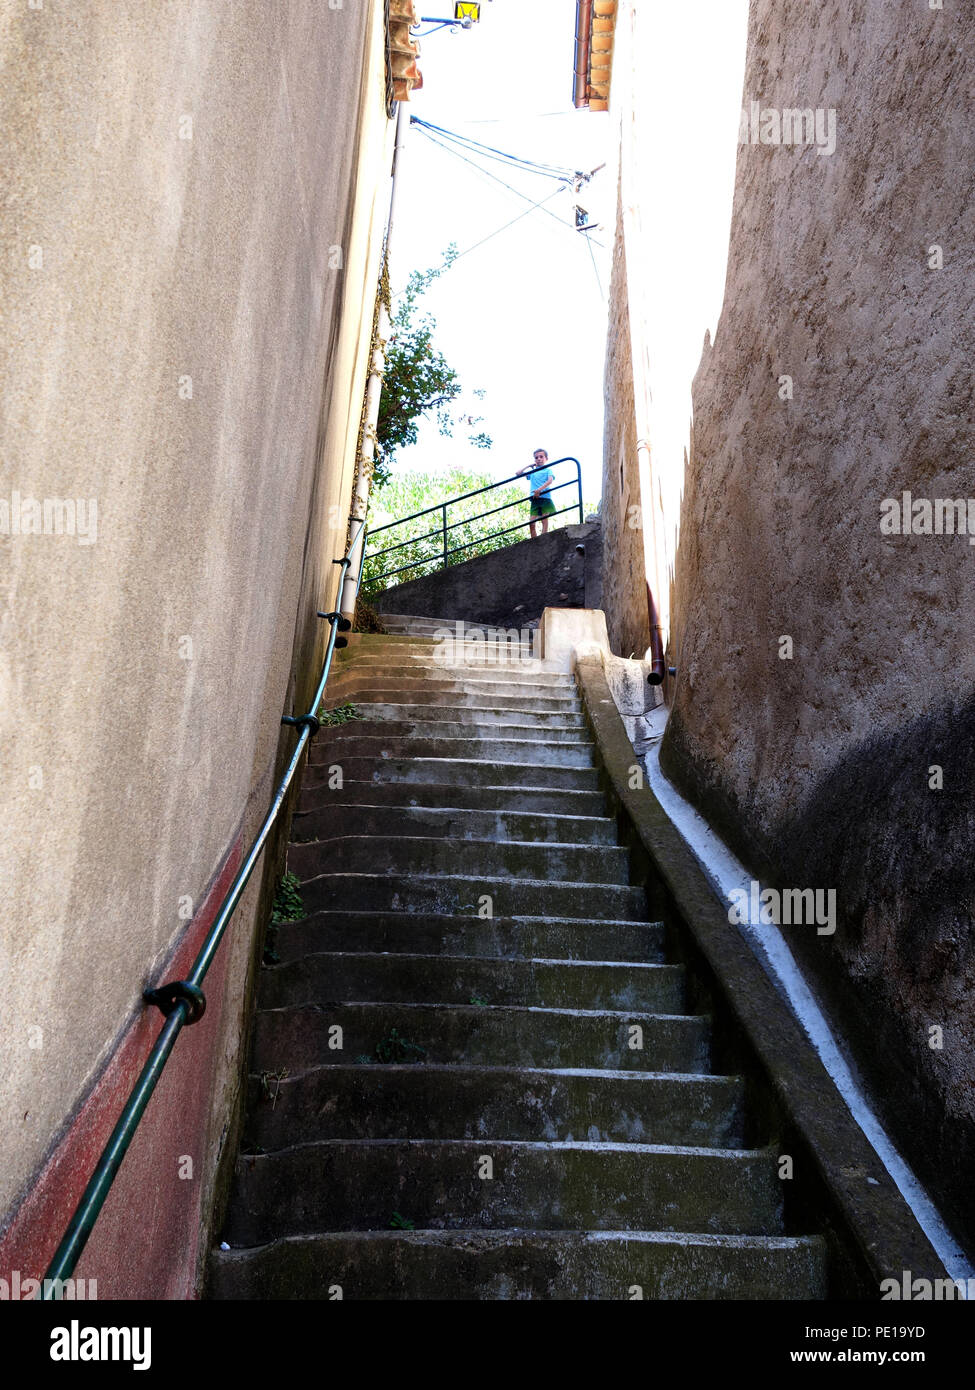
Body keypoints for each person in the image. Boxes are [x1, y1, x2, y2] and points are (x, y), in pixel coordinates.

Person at [518, 448, 556, 538]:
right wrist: (529, 466)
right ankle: (534, 541)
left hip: (545, 497)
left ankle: (544, 538)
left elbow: (550, 480)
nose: (538, 459)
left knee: (544, 520)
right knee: (531, 523)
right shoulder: (533, 472)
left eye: (541, 457)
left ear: (546, 458)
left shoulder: (548, 470)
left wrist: (539, 490)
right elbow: (518, 473)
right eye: (536, 457)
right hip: (534, 498)